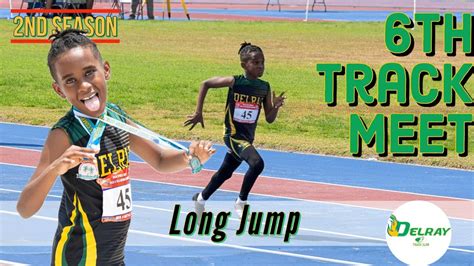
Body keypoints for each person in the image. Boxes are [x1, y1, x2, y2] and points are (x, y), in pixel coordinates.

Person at [16, 29, 215, 265]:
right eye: (70, 81)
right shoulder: (64, 134)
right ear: (59, 90)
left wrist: (189, 156)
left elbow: (160, 159)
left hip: (114, 257)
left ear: (106, 70)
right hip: (79, 258)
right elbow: (25, 208)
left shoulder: (117, 118)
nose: (84, 86)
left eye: (90, 73)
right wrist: (56, 167)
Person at [184, 42, 286, 219]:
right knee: (257, 163)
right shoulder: (235, 82)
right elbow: (205, 83)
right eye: (256, 63)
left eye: (263, 62)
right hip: (232, 135)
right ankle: (241, 202)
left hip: (247, 138)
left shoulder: (264, 87)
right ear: (244, 65)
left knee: (224, 173)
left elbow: (269, 118)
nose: (260, 66)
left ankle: (199, 199)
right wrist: (198, 112)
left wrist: (275, 106)